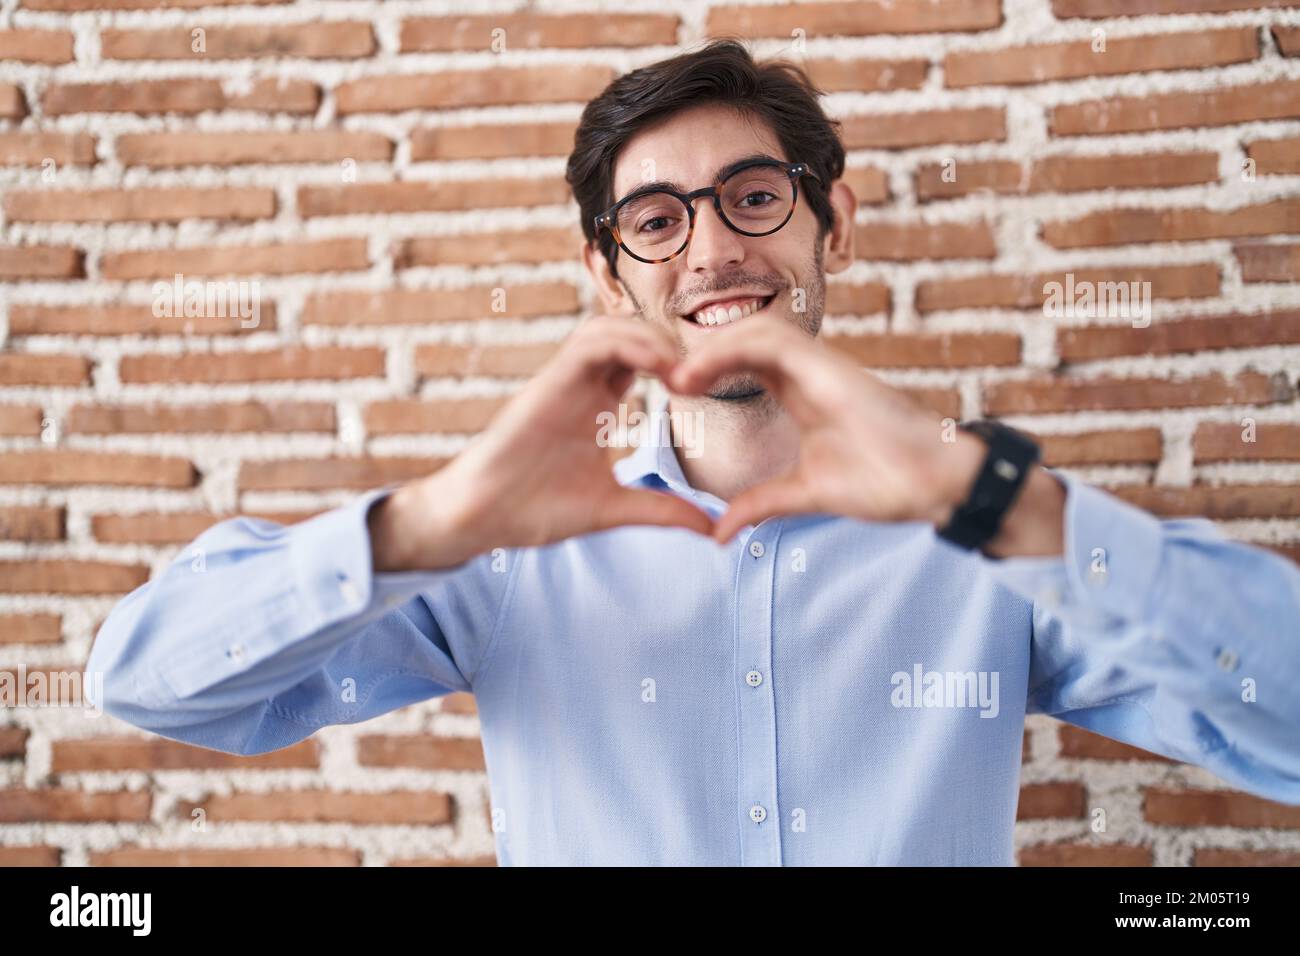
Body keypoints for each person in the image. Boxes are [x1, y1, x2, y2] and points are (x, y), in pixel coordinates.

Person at [86, 39, 1300, 865]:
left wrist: (994, 503)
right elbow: (146, 679)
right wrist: (436, 522)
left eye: (754, 196)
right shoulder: (509, 547)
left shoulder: (983, 526)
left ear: (835, 220)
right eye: (657, 220)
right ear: (606, 274)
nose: (712, 249)